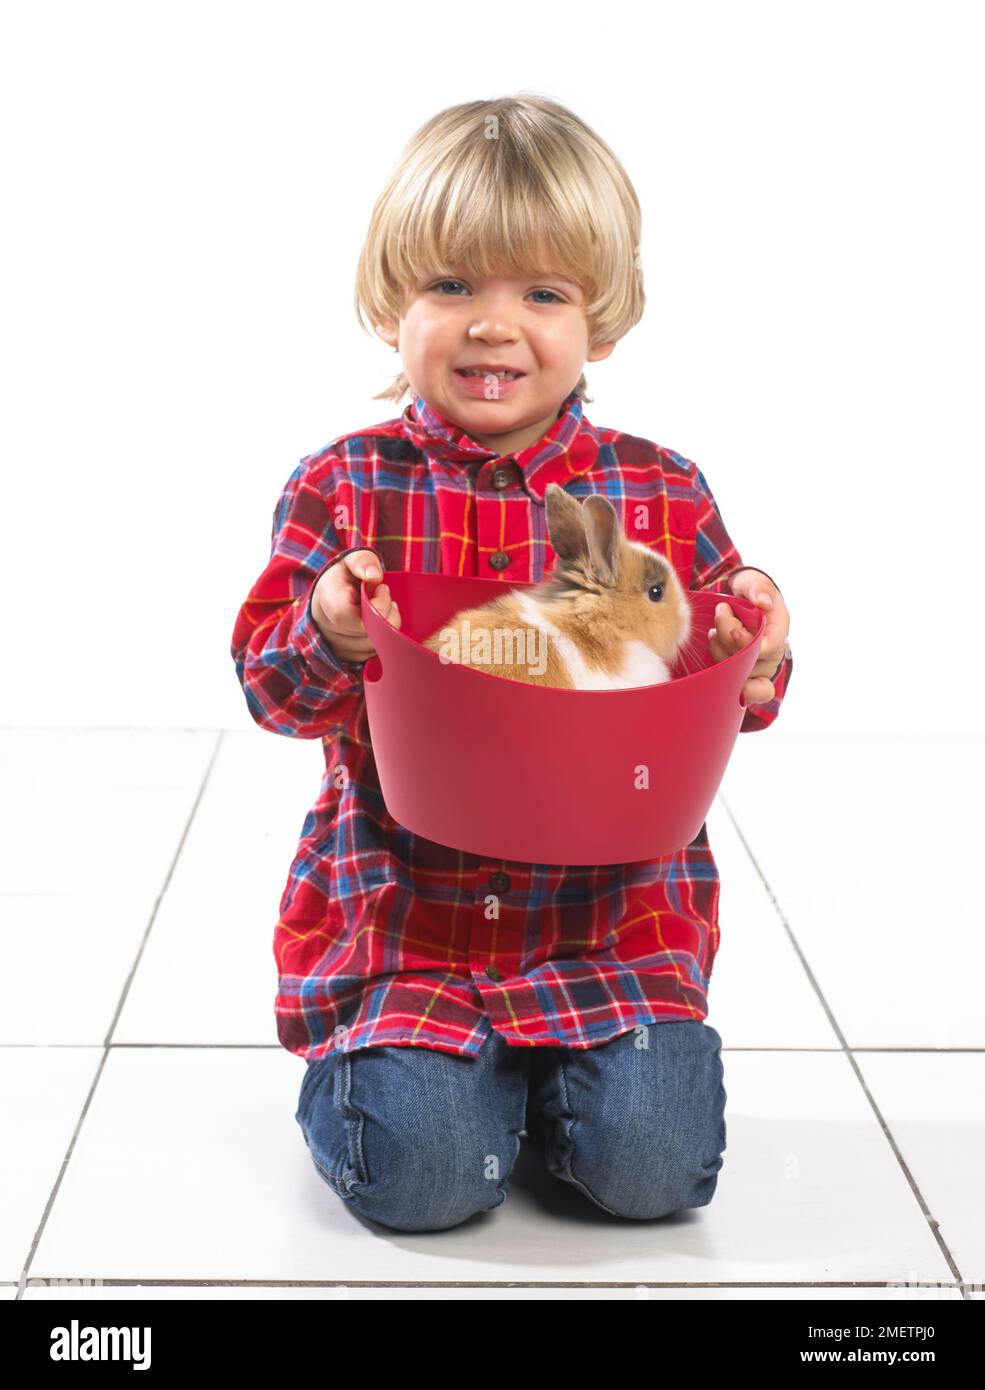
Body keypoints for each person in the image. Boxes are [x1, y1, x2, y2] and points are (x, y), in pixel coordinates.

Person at [230, 93, 793, 1234]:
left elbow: (725, 689)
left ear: (603, 319)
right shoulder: (343, 486)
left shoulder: (664, 491)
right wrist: (333, 630)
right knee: (427, 1183)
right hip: (409, 925)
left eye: (541, 293)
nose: (495, 325)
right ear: (393, 303)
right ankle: (406, 1081)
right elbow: (270, 687)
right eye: (452, 287)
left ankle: (553, 1085)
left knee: (652, 1176)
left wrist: (753, 644)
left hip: (607, 925)